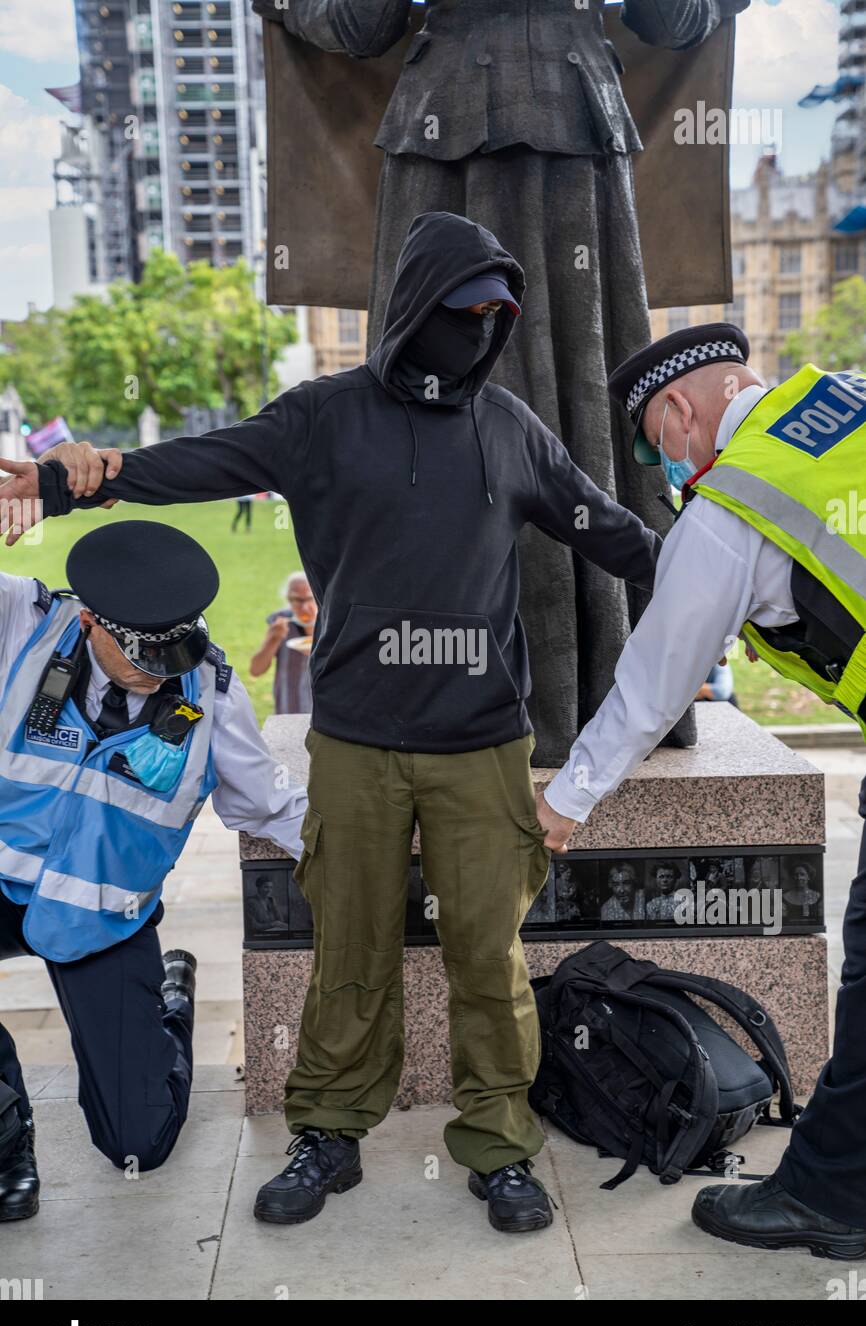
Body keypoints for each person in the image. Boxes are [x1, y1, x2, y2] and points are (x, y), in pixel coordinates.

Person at [1, 212, 664, 1235]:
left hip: (484, 744)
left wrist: (714, 577)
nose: (480, 331)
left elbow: (602, 526)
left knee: (486, 956)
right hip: (353, 741)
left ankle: (498, 1143)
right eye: (461, 312)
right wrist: (61, 479)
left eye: (497, 316)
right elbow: (201, 462)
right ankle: (328, 1128)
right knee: (348, 948)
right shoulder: (321, 417)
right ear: (412, 309)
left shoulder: (509, 429)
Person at [251, 0, 752, 761]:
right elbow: (673, 17)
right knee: (585, 392)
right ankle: (599, 691)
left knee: (431, 395)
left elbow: (360, 23)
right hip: (578, 123)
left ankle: (441, 695)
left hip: (444, 132)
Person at [534, 321, 866, 1260]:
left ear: (680, 409)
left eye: (656, 441)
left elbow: (655, 681)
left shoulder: (733, 504)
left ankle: (834, 1194)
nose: (664, 463)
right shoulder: (841, 403)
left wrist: (565, 800)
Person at [0, 520, 306, 1221]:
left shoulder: (213, 697)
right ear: (88, 620)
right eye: (142, 651)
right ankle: (6, 1140)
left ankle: (169, 1002)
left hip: (100, 916)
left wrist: (389, 843)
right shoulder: (21, 621)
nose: (163, 666)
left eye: (176, 645)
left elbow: (272, 806)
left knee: (139, 1142)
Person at [249, 571, 317, 714]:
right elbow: (256, 670)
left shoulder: (331, 621)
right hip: (289, 707)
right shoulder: (280, 621)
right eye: (297, 600)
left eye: (309, 599)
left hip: (321, 711)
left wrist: (313, 627)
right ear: (288, 599)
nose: (304, 607)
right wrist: (273, 639)